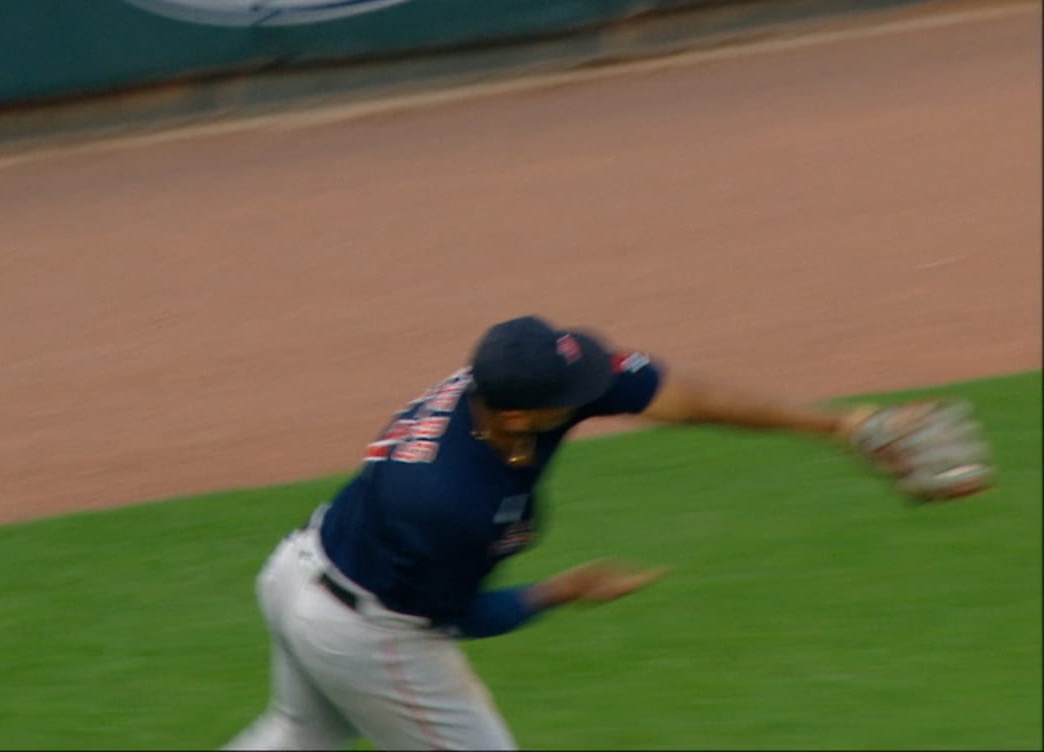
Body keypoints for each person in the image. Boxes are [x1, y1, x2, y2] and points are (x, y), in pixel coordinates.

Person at [223, 315, 990, 751]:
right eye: (578, 394)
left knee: (298, 736)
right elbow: (452, 620)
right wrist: (562, 590)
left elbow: (679, 397)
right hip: (368, 628)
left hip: (300, 563)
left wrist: (844, 426)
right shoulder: (450, 500)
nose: (596, 391)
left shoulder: (524, 385)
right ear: (518, 415)